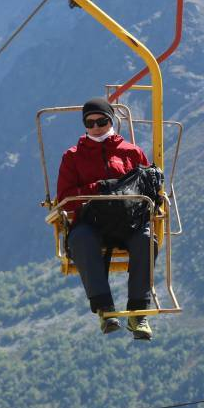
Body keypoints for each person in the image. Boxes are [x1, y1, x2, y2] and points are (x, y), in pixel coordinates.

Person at [56, 97, 155, 340]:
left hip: (127, 220)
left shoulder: (132, 153)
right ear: (85, 126)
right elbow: (65, 196)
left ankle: (138, 313)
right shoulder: (73, 157)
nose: (97, 127)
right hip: (93, 223)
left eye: (102, 121)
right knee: (80, 239)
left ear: (111, 121)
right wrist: (98, 188)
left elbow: (147, 187)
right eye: (90, 124)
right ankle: (105, 309)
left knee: (146, 239)